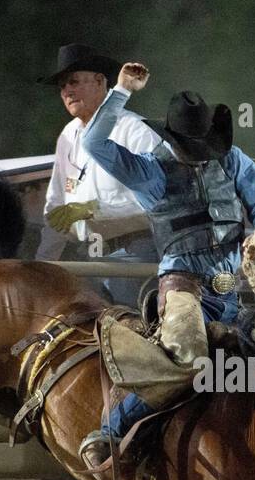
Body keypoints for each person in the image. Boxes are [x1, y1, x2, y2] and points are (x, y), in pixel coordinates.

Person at [76, 62, 255, 470]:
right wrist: (121, 91)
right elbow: (95, 144)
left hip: (230, 286)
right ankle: (111, 430)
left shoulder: (232, 159)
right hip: (183, 285)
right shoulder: (149, 171)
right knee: (188, 358)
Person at [38, 43, 162, 306]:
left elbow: (159, 201)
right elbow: (56, 209)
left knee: (127, 329)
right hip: (90, 255)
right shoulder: (68, 135)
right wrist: (42, 267)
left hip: (137, 250)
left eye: (73, 82)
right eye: (62, 86)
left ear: (100, 81)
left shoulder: (134, 130)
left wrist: (92, 210)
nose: (67, 91)